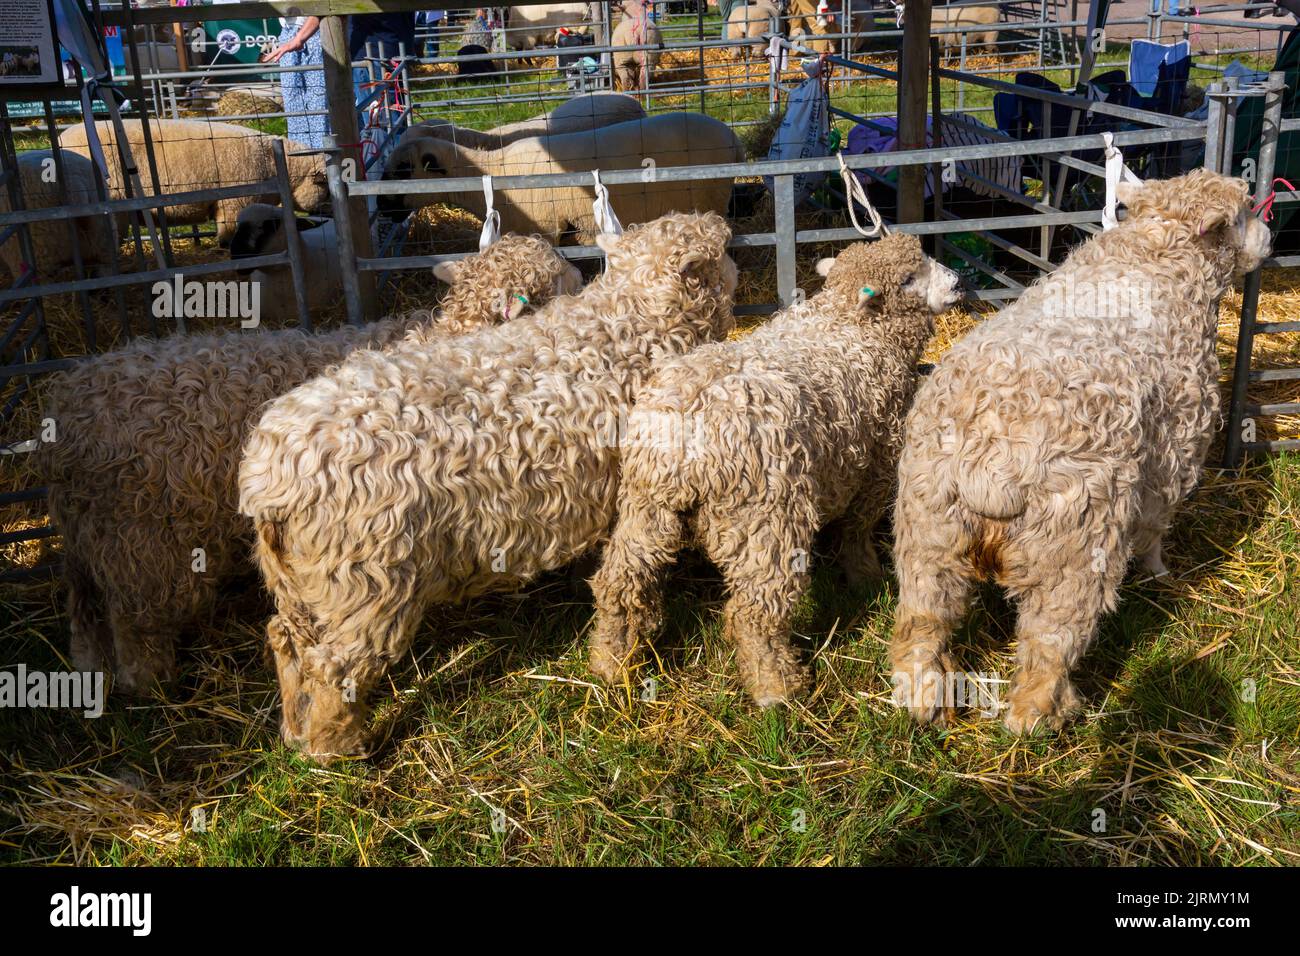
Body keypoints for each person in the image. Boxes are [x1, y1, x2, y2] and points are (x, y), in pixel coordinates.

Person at [262, 16, 326, 149]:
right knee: (293, 102)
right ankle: (304, 160)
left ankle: (327, 161)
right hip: (287, 32)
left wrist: (299, 38)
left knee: (319, 101)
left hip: (313, 31)